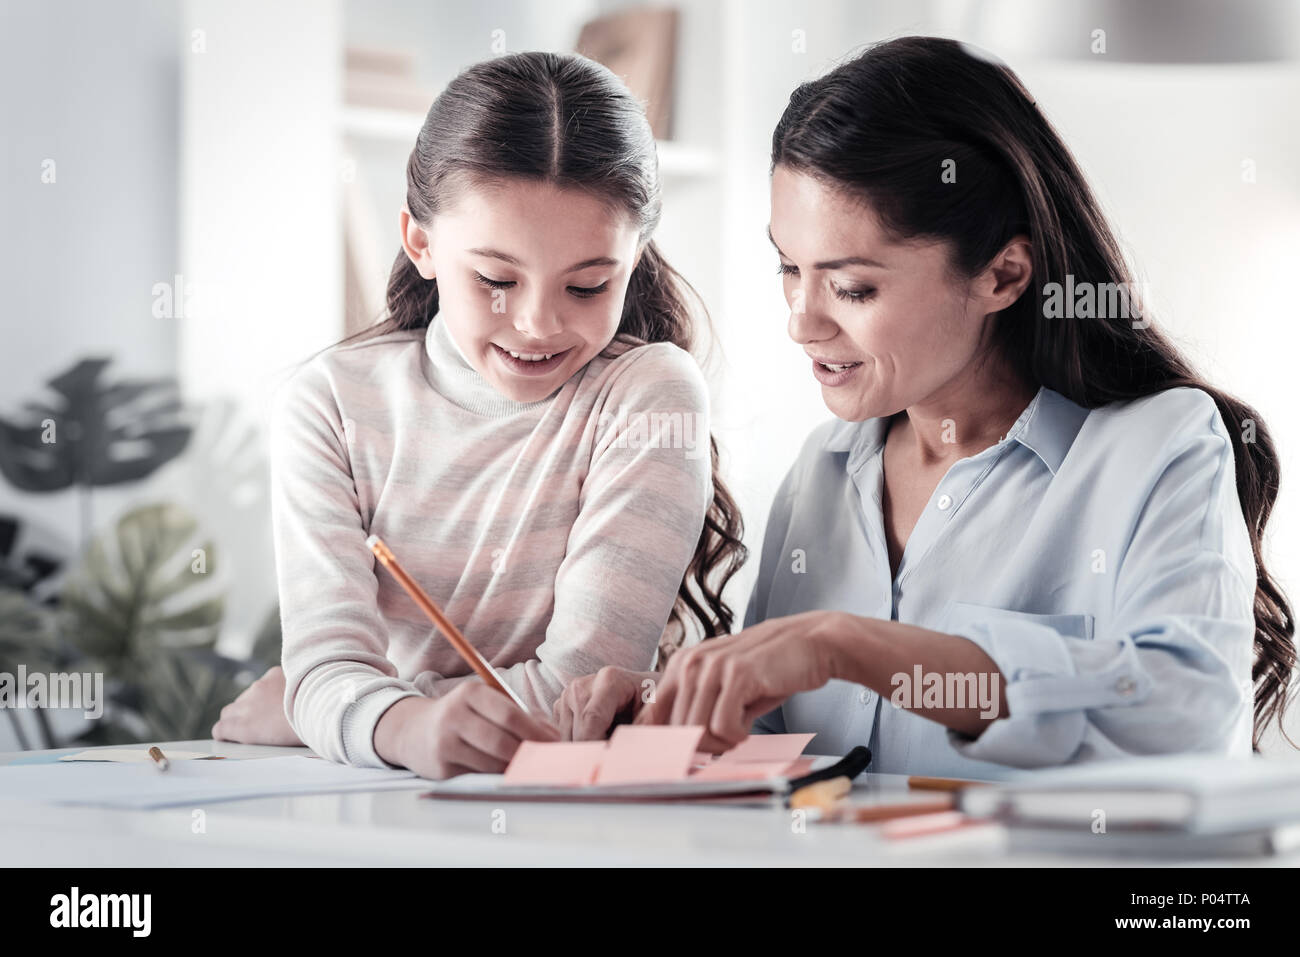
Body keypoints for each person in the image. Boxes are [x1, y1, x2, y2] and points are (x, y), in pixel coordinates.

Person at [555, 37, 1294, 778]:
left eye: (852, 288)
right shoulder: (825, 469)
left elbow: (1184, 716)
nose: (802, 322)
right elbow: (778, 752)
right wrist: (665, 713)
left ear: (1002, 275)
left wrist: (849, 647)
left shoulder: (1157, 448)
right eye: (789, 268)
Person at [212, 52, 745, 780]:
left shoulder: (648, 395)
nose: (536, 324)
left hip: (564, 811)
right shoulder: (330, 402)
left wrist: (351, 718)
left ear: (635, 257)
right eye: (496, 279)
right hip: (365, 806)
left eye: (588, 285)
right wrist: (384, 719)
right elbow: (326, 664)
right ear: (420, 243)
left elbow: (577, 700)